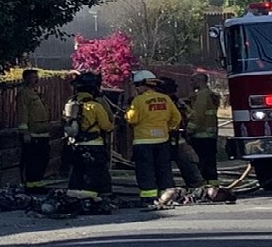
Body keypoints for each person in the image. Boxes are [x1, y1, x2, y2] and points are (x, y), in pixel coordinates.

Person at [125, 70, 181, 208]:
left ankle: (148, 199)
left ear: (144, 85)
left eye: (137, 85)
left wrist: (126, 114)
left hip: (143, 141)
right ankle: (166, 196)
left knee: (146, 171)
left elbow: (132, 119)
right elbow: (176, 118)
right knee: (164, 169)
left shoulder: (138, 100)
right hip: (162, 140)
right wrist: (167, 128)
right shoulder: (165, 99)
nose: (136, 89)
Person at [64, 72, 114, 197]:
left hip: (75, 145)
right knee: (93, 172)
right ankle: (90, 197)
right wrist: (113, 127)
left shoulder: (70, 104)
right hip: (94, 146)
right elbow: (106, 125)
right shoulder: (95, 106)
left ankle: (73, 195)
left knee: (77, 170)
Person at [15, 69, 53, 189]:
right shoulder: (24, 94)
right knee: (32, 160)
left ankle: (38, 182)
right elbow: (22, 113)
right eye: (33, 77)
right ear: (26, 79)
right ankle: (31, 184)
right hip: (33, 134)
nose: (36, 79)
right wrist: (25, 132)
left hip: (42, 133)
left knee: (43, 158)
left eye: (37, 77)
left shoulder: (35, 93)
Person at [185, 72, 223, 191]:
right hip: (211, 136)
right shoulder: (209, 94)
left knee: (200, 163)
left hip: (200, 136)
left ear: (199, 81)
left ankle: (201, 189)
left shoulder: (202, 96)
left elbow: (198, 116)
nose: (191, 83)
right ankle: (213, 187)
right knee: (210, 164)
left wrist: (189, 130)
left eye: (193, 81)